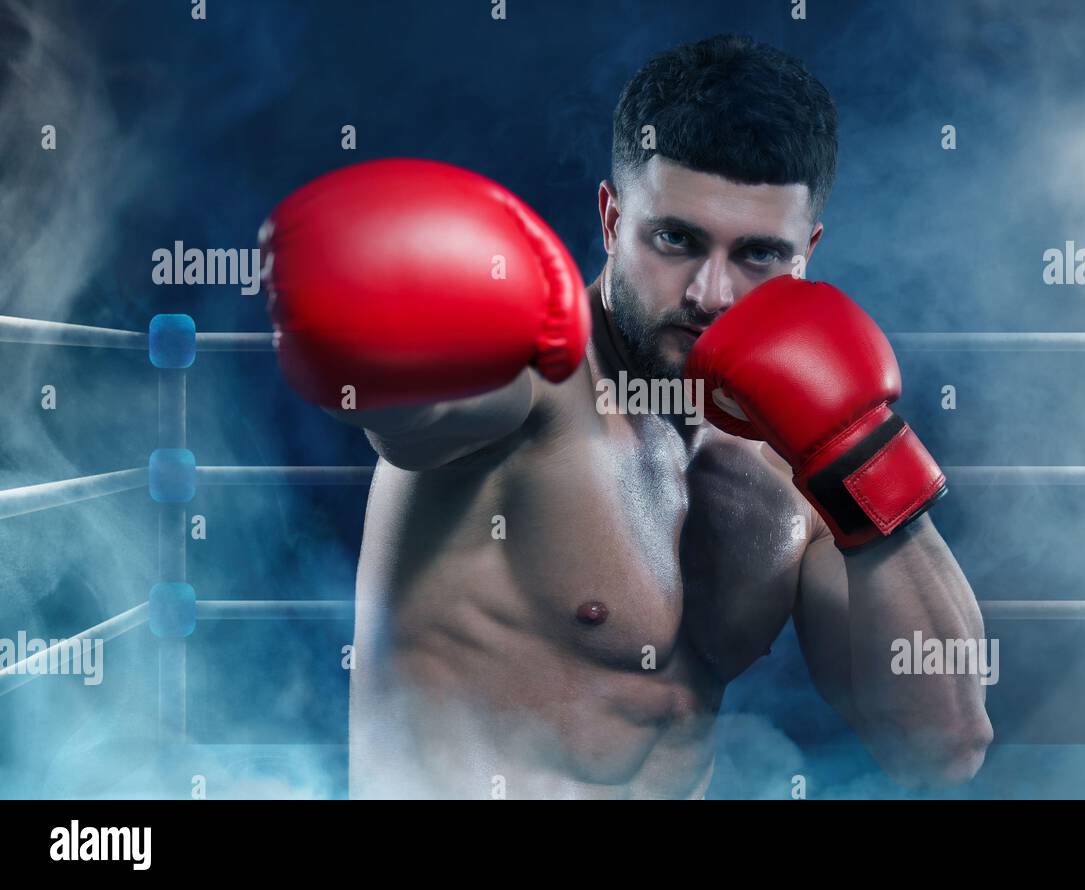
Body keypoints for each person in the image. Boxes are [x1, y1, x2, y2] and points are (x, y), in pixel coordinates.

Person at [261, 33, 992, 799]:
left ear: (807, 252)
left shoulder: (801, 466)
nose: (711, 293)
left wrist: (862, 449)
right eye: (676, 239)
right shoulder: (529, 386)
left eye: (758, 256)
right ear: (612, 219)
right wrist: (364, 317)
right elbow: (413, 407)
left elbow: (943, 744)